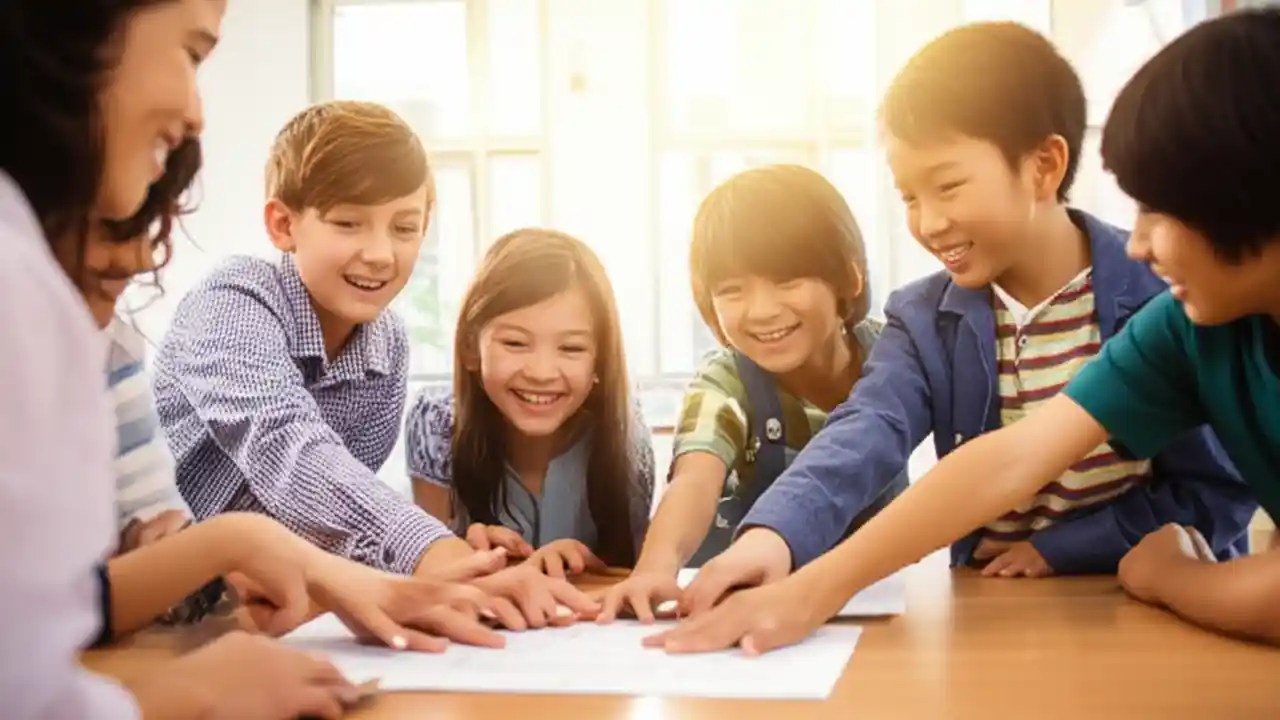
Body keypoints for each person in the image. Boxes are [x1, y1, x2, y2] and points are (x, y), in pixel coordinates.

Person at [642, 9, 1280, 655]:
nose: (1141, 242)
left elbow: (1221, 509)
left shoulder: (1161, 303)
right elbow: (980, 452)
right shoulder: (1178, 324)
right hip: (1001, 616)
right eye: (910, 198)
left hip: (1169, 620)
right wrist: (784, 553)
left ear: (1043, 165)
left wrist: (1159, 571)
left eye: (1161, 209)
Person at [598, 165, 904, 623]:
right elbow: (694, 480)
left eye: (787, 281)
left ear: (849, 278)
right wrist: (656, 568)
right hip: (735, 612)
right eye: (731, 290)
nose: (761, 311)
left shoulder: (897, 359)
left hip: (869, 606)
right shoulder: (726, 382)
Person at [406, 228, 655, 577]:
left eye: (571, 348)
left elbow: (633, 575)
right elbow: (423, 574)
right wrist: (468, 553)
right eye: (515, 343)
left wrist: (582, 564)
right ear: (469, 348)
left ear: (599, 362)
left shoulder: (624, 432)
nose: (541, 372)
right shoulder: (435, 424)